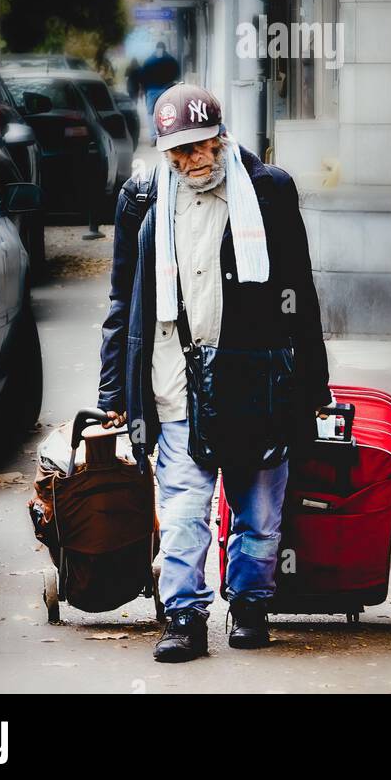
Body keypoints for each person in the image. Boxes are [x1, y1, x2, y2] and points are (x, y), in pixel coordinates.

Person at [96, 83, 332, 663]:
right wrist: (113, 390)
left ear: (220, 138)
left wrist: (313, 384)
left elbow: (298, 292)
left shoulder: (269, 191)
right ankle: (184, 616)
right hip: (174, 377)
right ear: (163, 150)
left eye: (200, 146)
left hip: (259, 382)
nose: (190, 160)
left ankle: (250, 605)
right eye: (177, 151)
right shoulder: (143, 197)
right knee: (182, 509)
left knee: (257, 510)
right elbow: (124, 300)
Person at [140, 40, 181, 143]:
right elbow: (177, 74)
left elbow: (143, 76)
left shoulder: (149, 61)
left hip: (151, 90)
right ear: (165, 48)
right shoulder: (170, 60)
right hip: (166, 89)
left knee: (150, 113)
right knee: (167, 112)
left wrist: (145, 90)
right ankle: (166, 135)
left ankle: (153, 136)